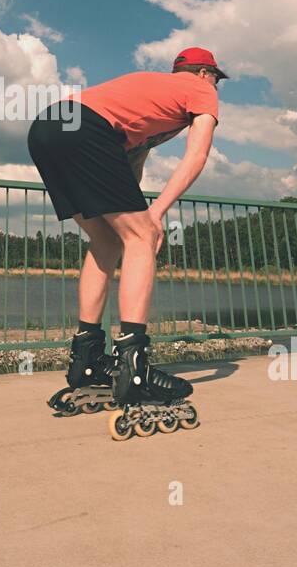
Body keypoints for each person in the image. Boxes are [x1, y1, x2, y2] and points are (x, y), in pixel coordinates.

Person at [28, 47, 224, 423]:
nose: (217, 86)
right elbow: (197, 156)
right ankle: (135, 370)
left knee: (106, 240)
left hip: (48, 127)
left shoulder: (150, 93)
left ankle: (86, 363)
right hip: (86, 129)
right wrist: (153, 218)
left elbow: (129, 166)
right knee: (140, 240)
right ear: (203, 73)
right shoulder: (201, 90)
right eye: (216, 77)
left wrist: (136, 221)